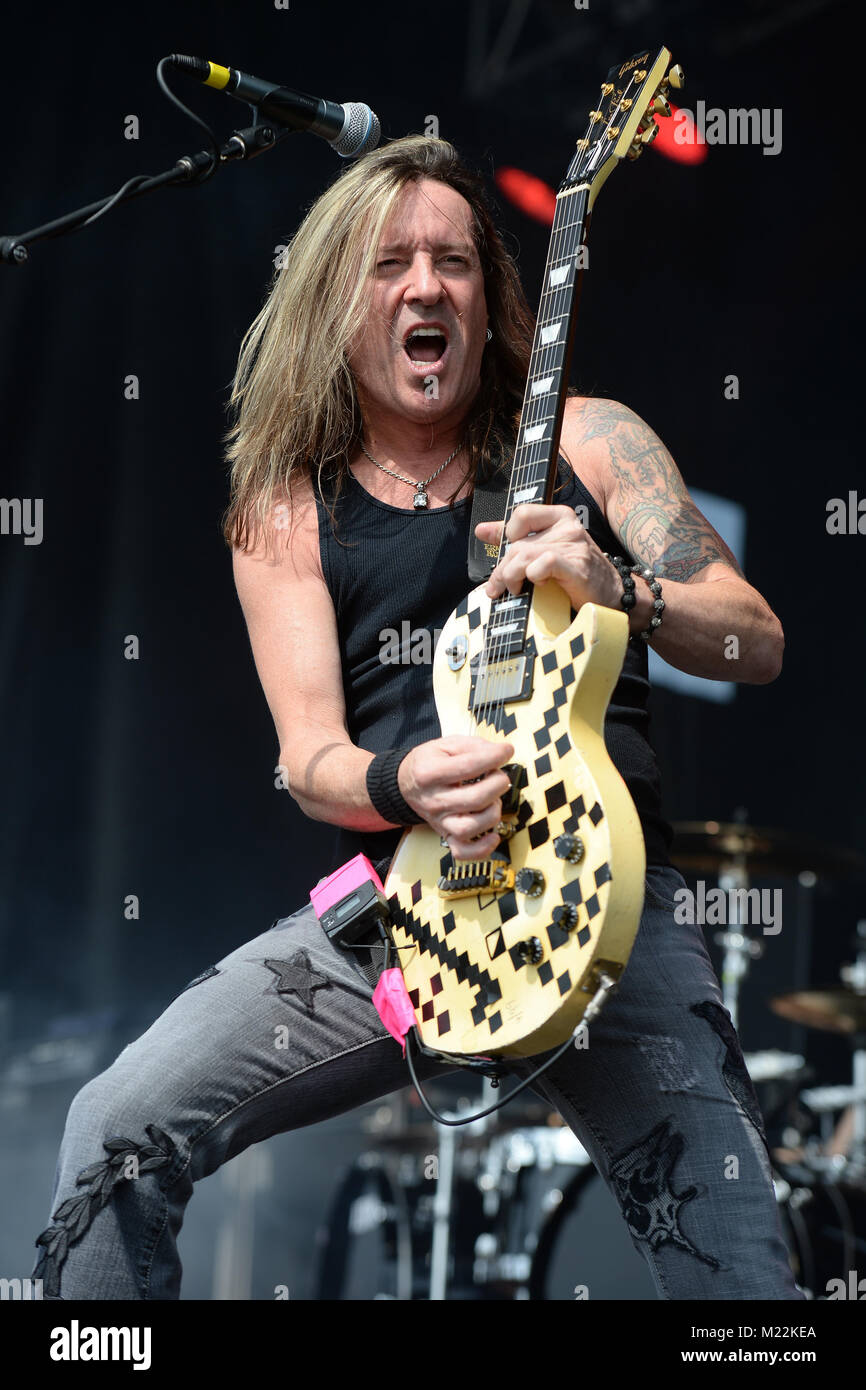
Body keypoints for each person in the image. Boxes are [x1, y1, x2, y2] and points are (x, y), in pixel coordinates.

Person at [34, 135, 802, 1300]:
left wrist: (618, 586)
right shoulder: (287, 504)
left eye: (452, 261)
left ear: (492, 302)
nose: (424, 284)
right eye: (389, 263)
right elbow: (310, 761)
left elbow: (753, 637)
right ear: (339, 300)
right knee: (111, 1129)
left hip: (606, 912)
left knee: (748, 1296)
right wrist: (404, 785)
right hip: (409, 915)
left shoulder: (591, 439)